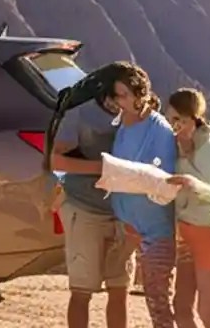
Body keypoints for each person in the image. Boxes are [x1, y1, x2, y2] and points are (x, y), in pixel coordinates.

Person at [49, 63, 134, 328]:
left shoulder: (136, 116)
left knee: (120, 290)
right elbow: (55, 161)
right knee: (82, 291)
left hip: (122, 211)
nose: (123, 102)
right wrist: (102, 168)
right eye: (119, 95)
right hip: (84, 208)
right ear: (106, 93)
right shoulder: (80, 115)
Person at [107, 62, 178, 328]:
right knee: (154, 299)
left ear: (140, 95)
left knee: (160, 302)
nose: (119, 101)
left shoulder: (158, 130)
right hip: (132, 228)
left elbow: (165, 181)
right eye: (116, 96)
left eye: (124, 95)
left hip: (156, 232)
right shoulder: (124, 127)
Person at [164, 88, 210, 328]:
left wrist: (192, 183)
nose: (174, 125)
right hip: (186, 233)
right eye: (170, 119)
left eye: (179, 120)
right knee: (182, 309)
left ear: (193, 118)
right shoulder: (178, 145)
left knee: (209, 314)